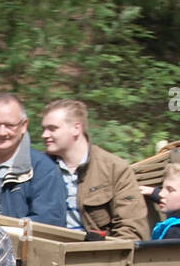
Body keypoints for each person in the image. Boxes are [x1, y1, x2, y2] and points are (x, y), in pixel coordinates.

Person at [39, 98, 150, 241]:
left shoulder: (114, 169)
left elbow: (132, 230)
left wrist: (102, 256)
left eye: (52, 129)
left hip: (97, 255)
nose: (44, 135)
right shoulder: (38, 168)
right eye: (44, 129)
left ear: (76, 128)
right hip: (47, 251)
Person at [0, 93, 67, 228]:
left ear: (24, 125)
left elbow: (50, 221)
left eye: (10, 125)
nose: (2, 132)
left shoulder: (43, 169)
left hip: (15, 244)